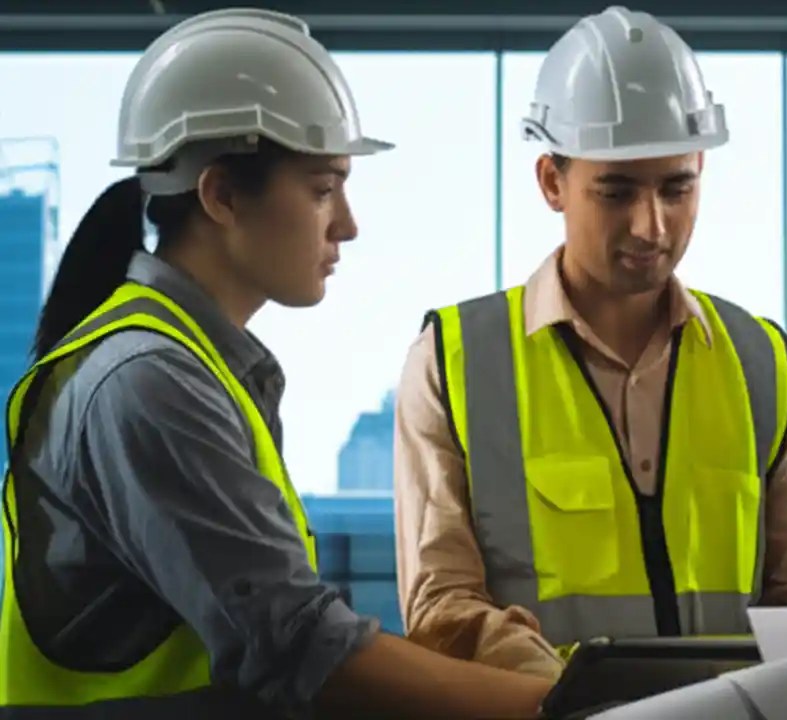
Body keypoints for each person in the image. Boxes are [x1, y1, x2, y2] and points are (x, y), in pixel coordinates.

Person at [0, 9, 551, 719]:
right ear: (222, 195)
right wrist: (554, 706)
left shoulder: (192, 368)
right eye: (323, 190)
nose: (347, 224)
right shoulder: (147, 382)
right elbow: (299, 648)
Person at [392, 5, 787, 680]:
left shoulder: (760, 362)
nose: (651, 224)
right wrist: (575, 696)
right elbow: (442, 607)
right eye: (616, 191)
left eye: (676, 187)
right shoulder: (456, 361)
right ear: (553, 183)